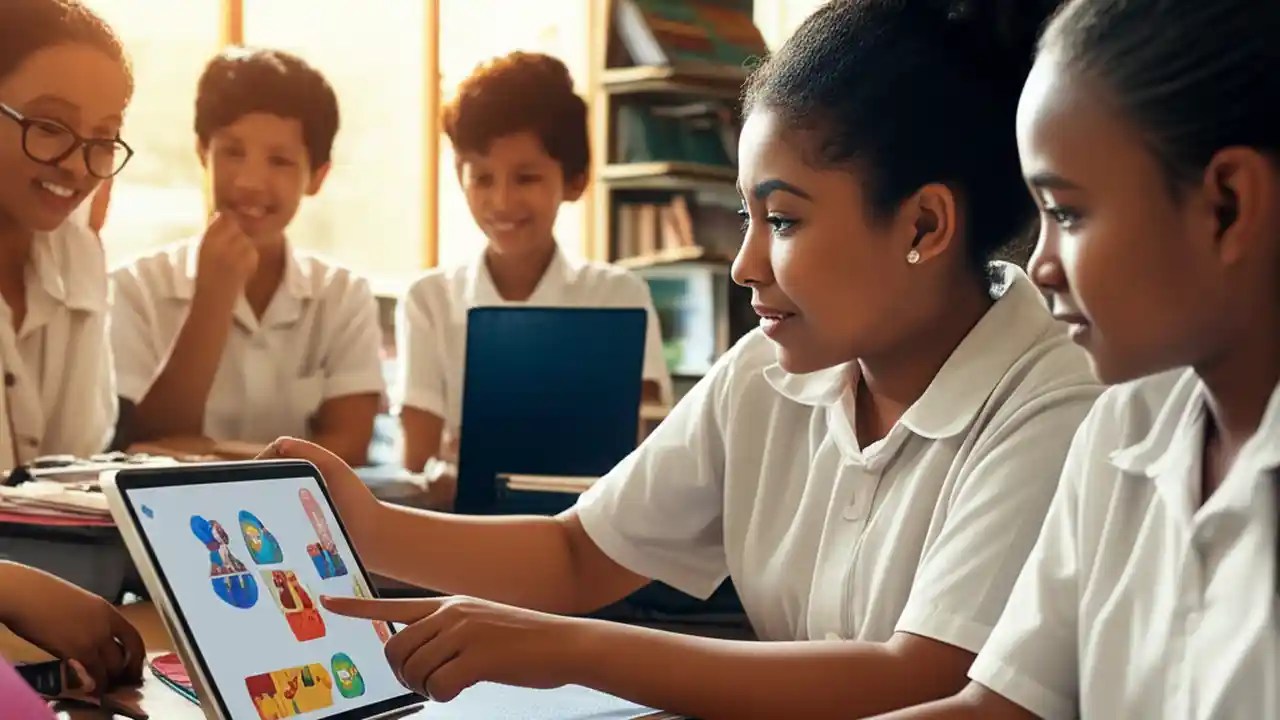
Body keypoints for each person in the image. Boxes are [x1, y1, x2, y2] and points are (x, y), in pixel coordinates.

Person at [266, 1, 1104, 716]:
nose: (744, 264)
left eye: (782, 221)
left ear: (923, 226)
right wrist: (366, 526)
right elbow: (576, 555)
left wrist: (571, 650)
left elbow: (919, 677)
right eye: (746, 217)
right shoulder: (766, 373)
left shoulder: (1050, 398)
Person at [874, 0, 1280, 718]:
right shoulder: (1122, 428)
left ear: (1227, 204)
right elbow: (1000, 709)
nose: (1042, 265)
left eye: (1067, 214)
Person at [397, 52, 672, 480]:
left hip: (589, 526)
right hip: (462, 530)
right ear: (459, 177)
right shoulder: (429, 301)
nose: (502, 202)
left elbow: (644, 448)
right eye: (482, 179)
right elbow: (418, 463)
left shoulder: (618, 295)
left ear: (574, 181)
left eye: (526, 178)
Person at [110, 48, 384, 465]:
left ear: (317, 176)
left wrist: (217, 455)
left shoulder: (343, 296)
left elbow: (350, 445)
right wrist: (213, 299)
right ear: (203, 153)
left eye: (280, 161)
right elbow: (143, 444)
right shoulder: (135, 288)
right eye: (232, 152)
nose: (251, 182)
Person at [0, 0, 134, 472]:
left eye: (102, 139)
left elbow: (74, 471)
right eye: (50, 126)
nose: (79, 165)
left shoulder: (76, 255)